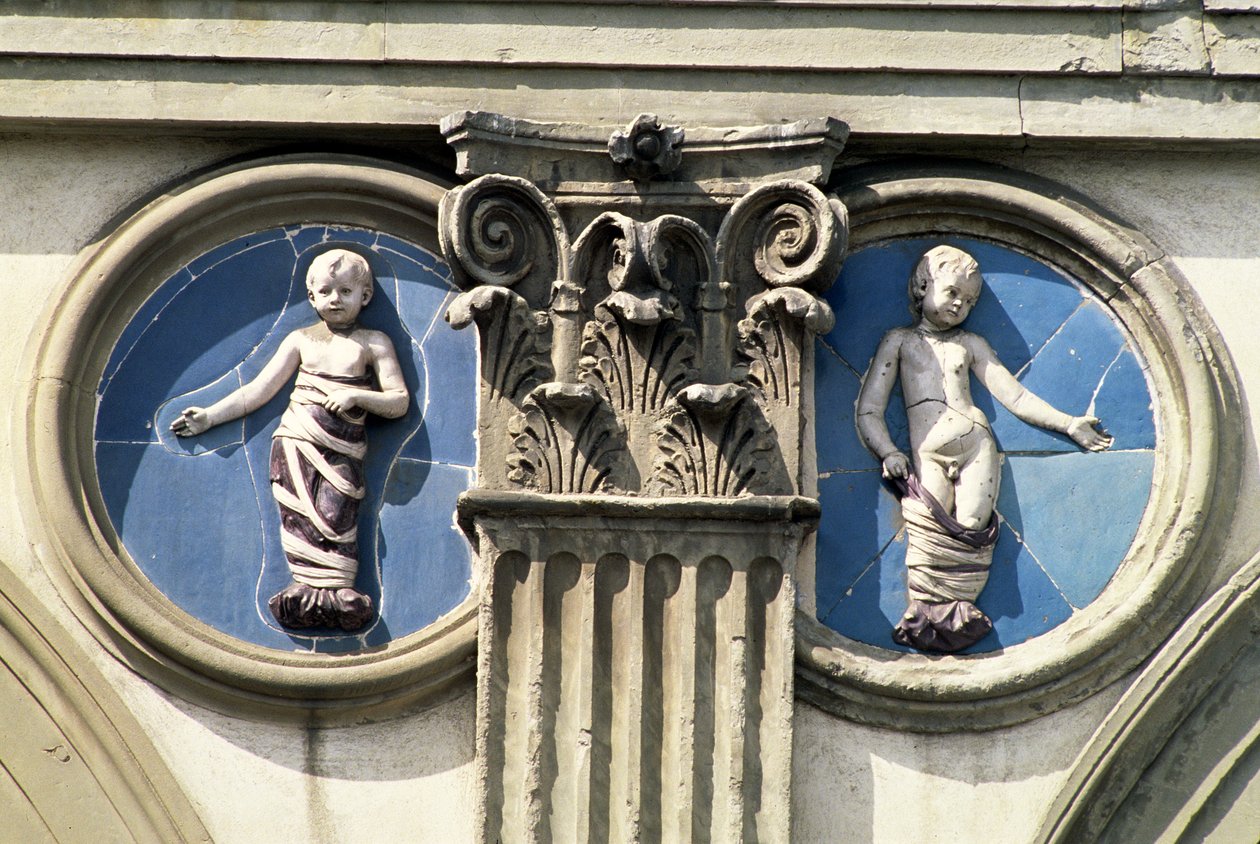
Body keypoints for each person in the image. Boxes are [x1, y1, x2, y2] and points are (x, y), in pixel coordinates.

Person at [856, 245, 1112, 652]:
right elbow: (869, 409)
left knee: (973, 524)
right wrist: (888, 451)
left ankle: (960, 616)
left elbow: (1015, 396)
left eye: (970, 300)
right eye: (953, 292)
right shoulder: (900, 341)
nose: (961, 304)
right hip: (927, 453)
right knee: (929, 529)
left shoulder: (971, 344)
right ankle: (925, 618)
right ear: (922, 287)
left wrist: (1068, 423)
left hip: (976, 443)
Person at [172, 248, 408, 631]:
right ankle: (304, 593)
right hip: (296, 444)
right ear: (311, 297)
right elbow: (260, 389)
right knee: (299, 520)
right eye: (325, 291)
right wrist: (210, 416)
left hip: (342, 451)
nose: (335, 299)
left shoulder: (373, 342)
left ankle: (339, 593)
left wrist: (357, 396)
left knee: (336, 517)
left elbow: (398, 402)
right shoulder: (301, 340)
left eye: (345, 291)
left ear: (365, 296)